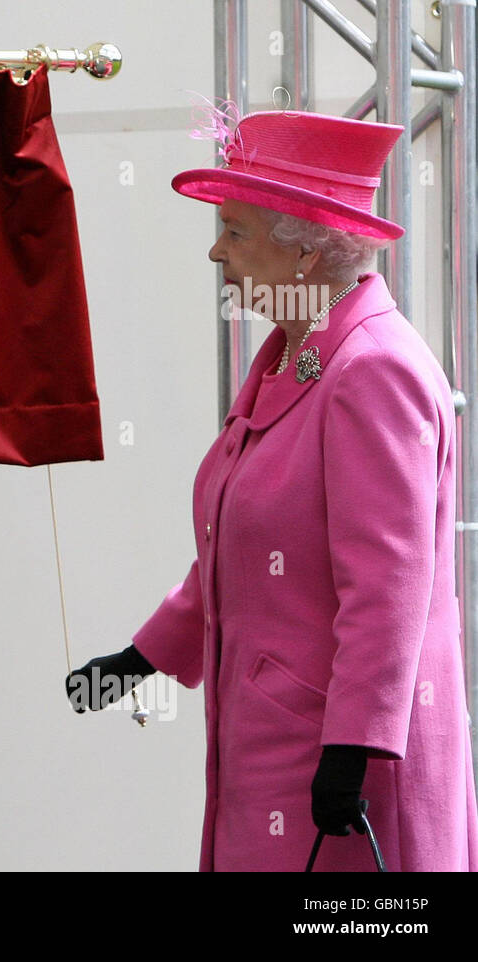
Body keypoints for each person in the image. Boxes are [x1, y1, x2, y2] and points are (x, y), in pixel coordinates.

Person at [66, 108, 478, 871]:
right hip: (276, 749)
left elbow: (389, 585)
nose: (215, 252)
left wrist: (352, 748)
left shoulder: (372, 371)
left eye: (235, 231)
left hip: (342, 769)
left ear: (304, 250)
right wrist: (143, 659)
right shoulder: (296, 356)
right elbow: (245, 544)